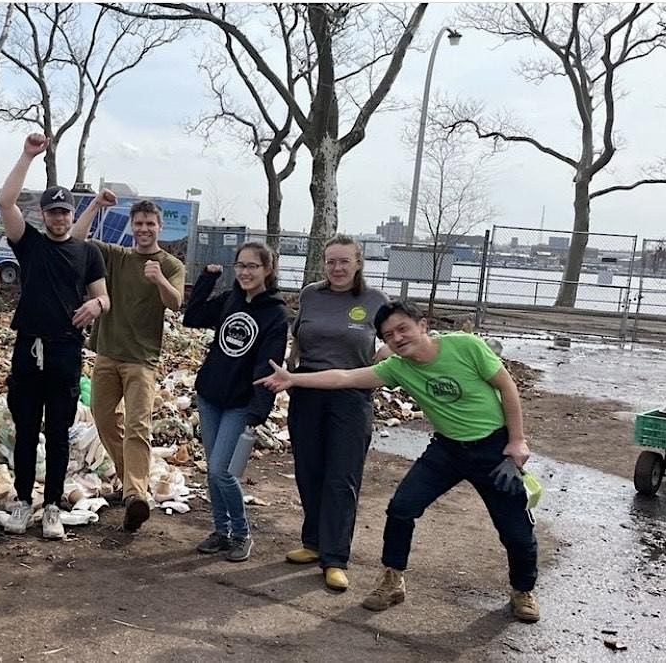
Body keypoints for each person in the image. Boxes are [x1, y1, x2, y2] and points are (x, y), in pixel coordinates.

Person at [255, 299, 540, 623]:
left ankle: (523, 590)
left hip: (494, 450)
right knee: (401, 508)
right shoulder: (398, 368)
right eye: (389, 335)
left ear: (422, 324)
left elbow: (507, 386)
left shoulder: (466, 346)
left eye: (403, 328)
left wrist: (516, 441)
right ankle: (393, 580)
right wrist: (294, 379)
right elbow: (344, 378)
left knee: (515, 530)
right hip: (447, 450)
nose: (398, 338)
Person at [0, 133, 109, 540]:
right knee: (26, 429)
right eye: (52, 212)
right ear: (43, 215)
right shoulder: (30, 246)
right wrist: (27, 156)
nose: (59, 218)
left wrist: (97, 307)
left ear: (71, 213)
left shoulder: (87, 252)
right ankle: (23, 500)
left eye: (65, 212)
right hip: (28, 347)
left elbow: (104, 298)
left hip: (66, 350)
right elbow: (6, 203)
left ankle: (51, 507)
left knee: (58, 433)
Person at [70, 190, 184, 532]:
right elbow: (77, 240)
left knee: (137, 426)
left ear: (159, 227)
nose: (144, 229)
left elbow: (176, 303)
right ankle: (133, 482)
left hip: (142, 361)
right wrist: (94, 205)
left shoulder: (170, 264)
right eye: (139, 223)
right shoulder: (116, 256)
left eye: (150, 223)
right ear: (132, 226)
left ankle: (136, 496)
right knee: (104, 421)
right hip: (107, 353)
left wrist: (159, 279)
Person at [284, 234, 389, 591]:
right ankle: (312, 542)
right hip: (307, 390)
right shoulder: (311, 294)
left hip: (351, 395)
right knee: (309, 470)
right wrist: (290, 369)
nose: (337, 268)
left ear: (358, 262)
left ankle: (335, 558)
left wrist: (379, 361)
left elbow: (398, 335)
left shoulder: (375, 300)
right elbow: (298, 334)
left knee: (342, 477)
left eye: (344, 261)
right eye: (331, 261)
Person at [183, 242, 288, 562]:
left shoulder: (275, 314)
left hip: (240, 402)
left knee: (221, 470)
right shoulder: (231, 299)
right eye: (240, 266)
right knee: (212, 470)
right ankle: (221, 531)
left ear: (267, 270)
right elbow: (193, 317)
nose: (244, 272)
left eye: (252, 266)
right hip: (211, 395)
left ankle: (241, 533)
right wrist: (205, 280)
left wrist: (260, 409)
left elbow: (268, 365)